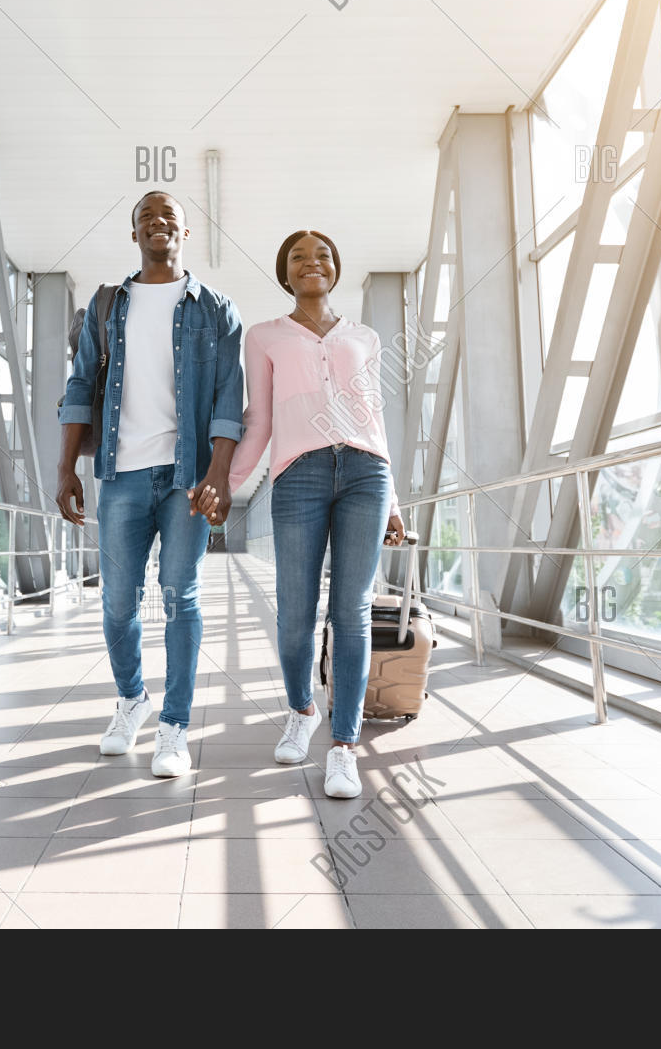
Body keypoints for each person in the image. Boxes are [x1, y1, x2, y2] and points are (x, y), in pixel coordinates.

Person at [56, 191, 243, 778]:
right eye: (146, 218)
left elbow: (227, 398)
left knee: (180, 597)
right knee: (117, 602)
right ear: (133, 234)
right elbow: (82, 384)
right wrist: (66, 468)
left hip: (187, 477)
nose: (158, 224)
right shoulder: (106, 306)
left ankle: (174, 727)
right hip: (121, 473)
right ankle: (131, 699)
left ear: (186, 232)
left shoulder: (215, 308)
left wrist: (218, 472)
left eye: (170, 218)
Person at [228, 230, 404, 799]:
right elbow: (258, 419)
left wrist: (394, 501)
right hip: (298, 473)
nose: (313, 263)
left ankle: (344, 746)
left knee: (350, 611)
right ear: (286, 273)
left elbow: (374, 417)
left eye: (323, 255)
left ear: (336, 268)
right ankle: (302, 710)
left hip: (365, 472)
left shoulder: (366, 337)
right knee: (295, 611)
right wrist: (225, 489)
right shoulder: (263, 336)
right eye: (299, 257)